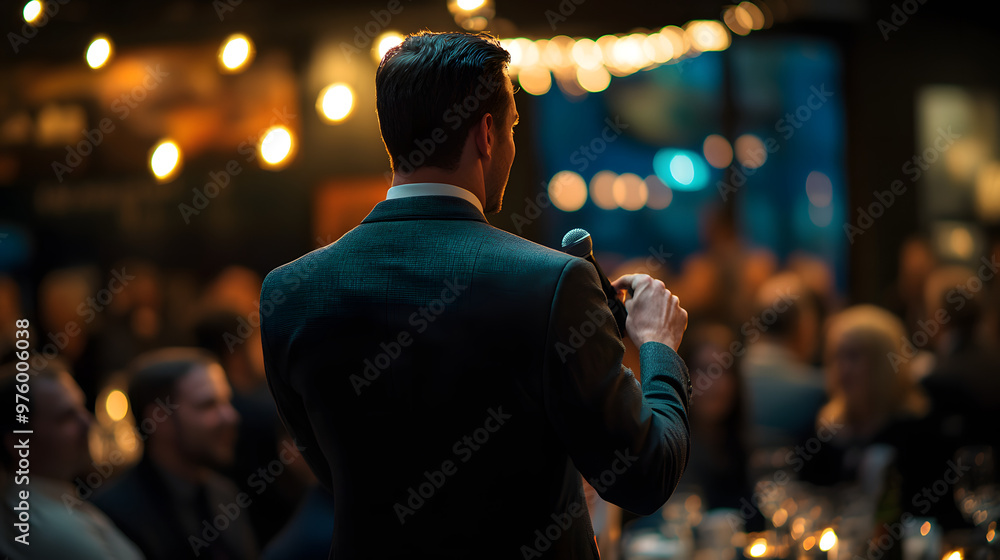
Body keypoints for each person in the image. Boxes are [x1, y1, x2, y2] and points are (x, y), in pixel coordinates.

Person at [260, 31, 692, 559]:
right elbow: (643, 477)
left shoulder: (288, 291)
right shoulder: (552, 283)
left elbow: (333, 470)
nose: (509, 142)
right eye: (511, 126)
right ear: (486, 134)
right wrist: (658, 346)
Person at [92, 348, 258, 560]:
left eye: (227, 401)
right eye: (208, 405)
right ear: (159, 419)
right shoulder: (113, 515)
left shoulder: (225, 495)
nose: (231, 417)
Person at [0, 357, 144, 560]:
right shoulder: (44, 526)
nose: (88, 423)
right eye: (66, 417)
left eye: (82, 408)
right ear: (19, 442)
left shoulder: (50, 502)